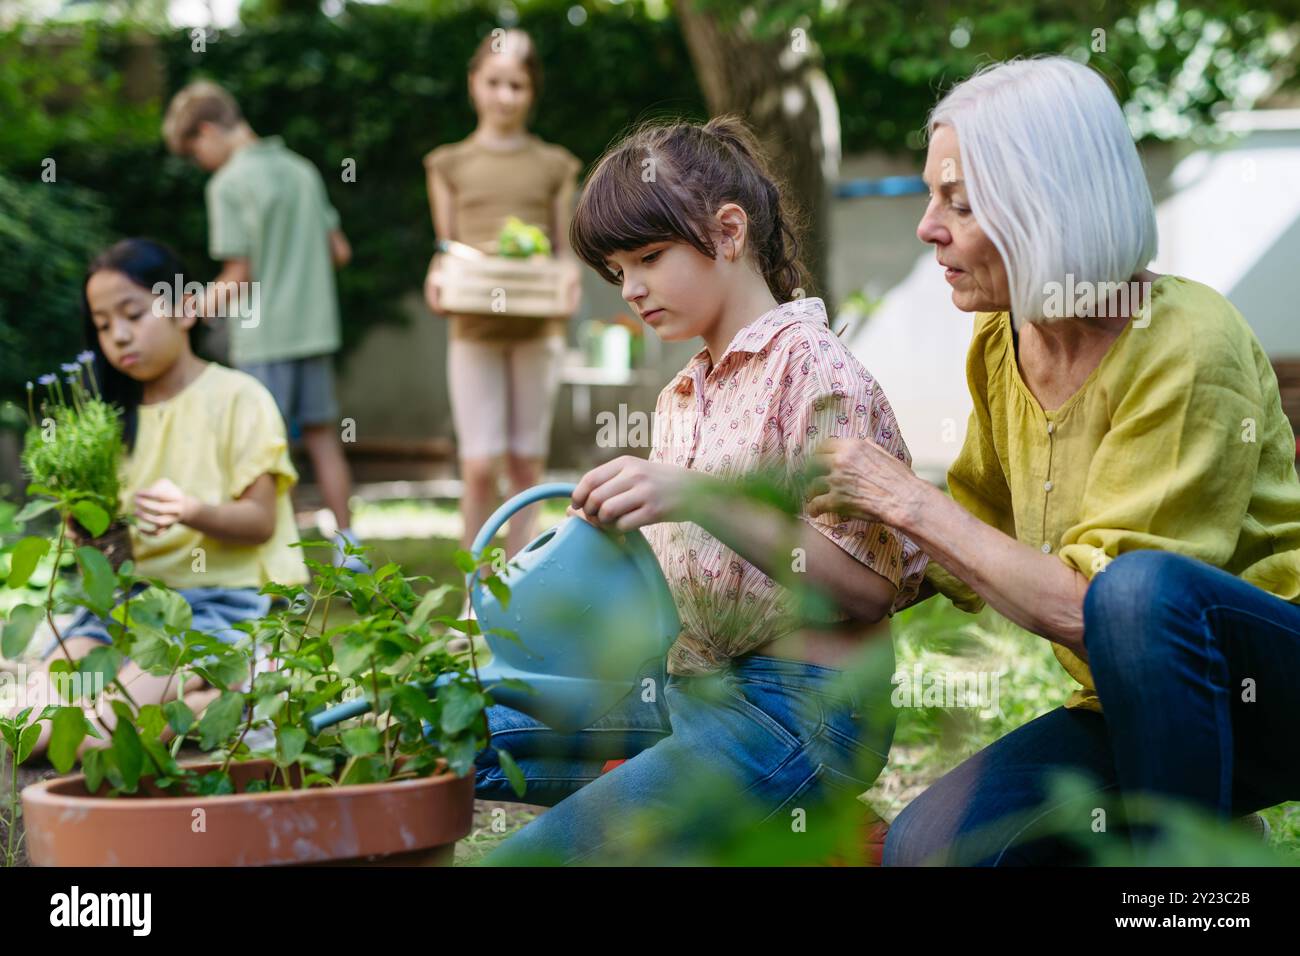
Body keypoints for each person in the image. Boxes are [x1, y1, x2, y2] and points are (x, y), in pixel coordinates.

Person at [806, 56, 1300, 864]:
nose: (927, 227)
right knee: (927, 852)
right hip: (1126, 705)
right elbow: (975, 536)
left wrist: (905, 500)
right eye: (935, 197)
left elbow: (1097, 611)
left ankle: (1189, 891)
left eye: (958, 204)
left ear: (1047, 205)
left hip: (1272, 691)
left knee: (1135, 594)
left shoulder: (1187, 344)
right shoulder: (1007, 337)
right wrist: (811, 554)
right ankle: (1198, 816)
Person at [471, 116, 929, 864]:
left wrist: (695, 496)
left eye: (649, 257)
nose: (633, 288)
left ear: (727, 232)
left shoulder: (816, 371)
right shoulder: (685, 391)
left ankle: (813, 828)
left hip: (799, 714)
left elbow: (868, 591)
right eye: (618, 270)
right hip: (686, 693)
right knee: (450, 733)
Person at [12, 238, 309, 755]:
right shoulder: (104, 421)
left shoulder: (238, 396)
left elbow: (261, 520)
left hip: (215, 605)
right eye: (103, 326)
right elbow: (102, 563)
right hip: (126, 608)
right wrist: (92, 538)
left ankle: (230, 697)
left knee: (105, 734)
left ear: (187, 308)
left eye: (133, 313)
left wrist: (191, 511)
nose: (119, 335)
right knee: (25, 726)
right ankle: (217, 696)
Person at [162, 80, 363, 569]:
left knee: (264, 453)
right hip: (315, 331)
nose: (199, 163)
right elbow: (340, 251)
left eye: (194, 152)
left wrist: (190, 309)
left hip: (264, 337)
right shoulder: (301, 168)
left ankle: (281, 559)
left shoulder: (227, 184)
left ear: (208, 131)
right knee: (322, 440)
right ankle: (349, 552)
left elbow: (239, 275)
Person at [423, 28, 583, 558]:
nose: (504, 96)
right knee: (476, 465)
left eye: (516, 84)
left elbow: (563, 248)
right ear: (474, 83)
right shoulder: (447, 164)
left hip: (538, 329)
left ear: (532, 89)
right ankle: (475, 588)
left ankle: (520, 580)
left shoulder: (555, 165)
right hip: (474, 328)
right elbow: (446, 247)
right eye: (494, 82)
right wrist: (437, 275)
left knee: (525, 464)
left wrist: (569, 279)